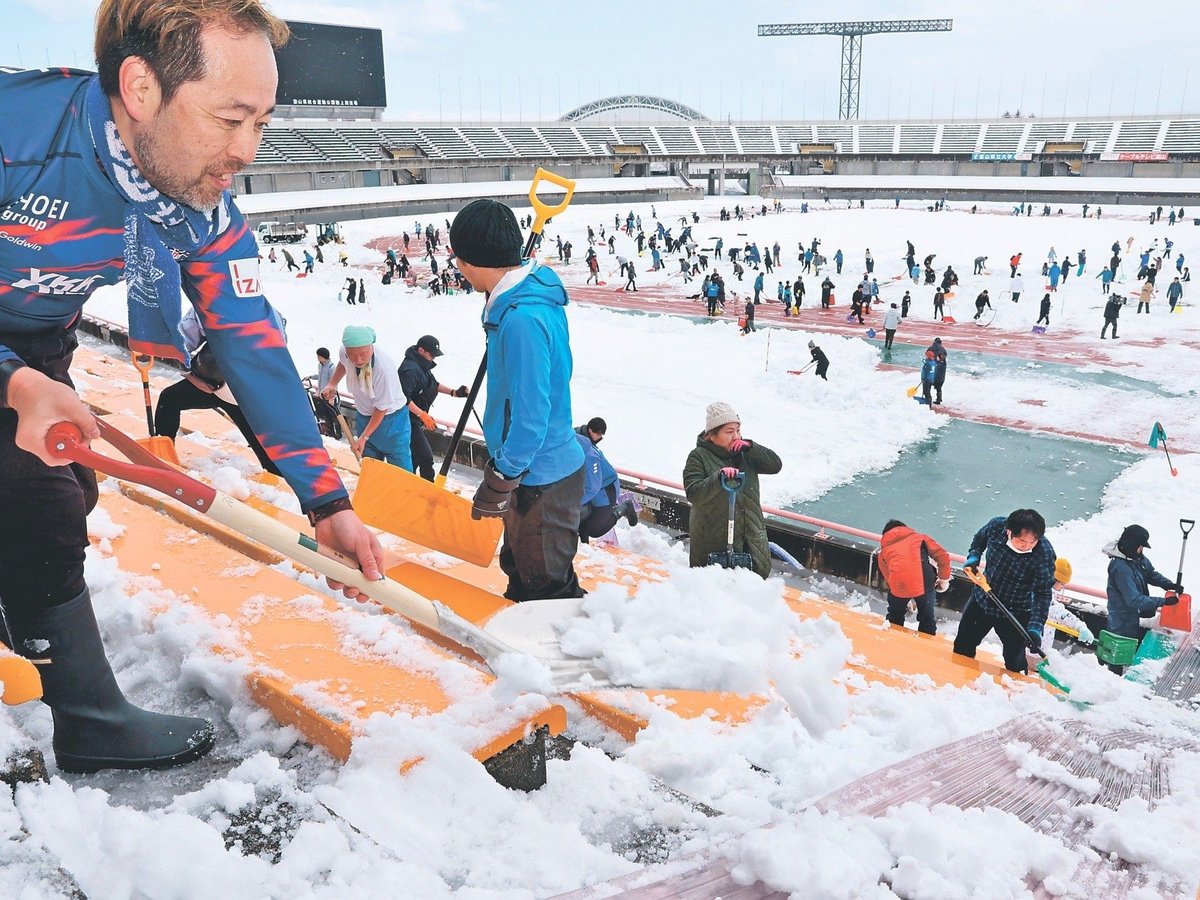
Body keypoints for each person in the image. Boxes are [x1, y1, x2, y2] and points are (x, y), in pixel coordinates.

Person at [0, 0, 382, 774]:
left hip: (34, 340)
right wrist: (12, 386)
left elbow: (250, 340)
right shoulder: (17, 135)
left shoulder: (192, 201)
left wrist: (327, 502)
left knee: (69, 484)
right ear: (140, 87)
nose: (247, 149)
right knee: (43, 507)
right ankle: (89, 721)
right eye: (230, 118)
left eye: (263, 123)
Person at [450, 199, 585, 602]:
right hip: (534, 469)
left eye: (458, 257)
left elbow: (531, 416)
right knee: (523, 571)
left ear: (470, 260)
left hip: (537, 473)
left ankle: (554, 660)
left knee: (545, 586)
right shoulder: (521, 299)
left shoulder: (522, 319)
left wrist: (502, 476)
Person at [683, 402, 782, 579]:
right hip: (714, 543)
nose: (736, 436)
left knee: (752, 591)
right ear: (711, 436)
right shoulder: (699, 456)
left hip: (751, 539)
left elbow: (775, 465)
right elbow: (694, 493)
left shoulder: (746, 453)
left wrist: (752, 447)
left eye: (737, 430)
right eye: (729, 432)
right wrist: (717, 478)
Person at [953, 509, 1056, 674]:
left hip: (1016, 612)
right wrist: (974, 557)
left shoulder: (1044, 554)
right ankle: (960, 681)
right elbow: (979, 539)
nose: (1027, 546)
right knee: (963, 645)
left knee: (1015, 661)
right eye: (1022, 541)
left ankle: (1014, 692)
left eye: (1033, 542)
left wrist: (1035, 627)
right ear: (1009, 532)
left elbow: (1042, 594)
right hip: (983, 600)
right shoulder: (996, 526)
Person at [323, 326, 412, 470]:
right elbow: (343, 362)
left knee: (399, 466)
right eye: (352, 354)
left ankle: (405, 491)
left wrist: (364, 437)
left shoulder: (383, 369)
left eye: (363, 354)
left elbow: (382, 408)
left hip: (391, 419)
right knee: (369, 463)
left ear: (372, 347)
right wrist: (332, 383)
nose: (358, 360)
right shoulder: (345, 353)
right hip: (364, 415)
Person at [1102, 525, 1182, 674]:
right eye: (1140, 547)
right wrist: (1163, 602)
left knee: (1128, 648)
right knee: (1118, 651)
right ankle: (1113, 676)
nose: (1142, 550)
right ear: (1132, 545)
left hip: (1132, 614)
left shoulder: (1136, 558)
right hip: (1121, 617)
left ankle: (1120, 671)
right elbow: (1134, 600)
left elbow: (1150, 573)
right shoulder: (1120, 568)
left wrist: (1169, 585)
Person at [398, 335, 469, 482]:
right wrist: (422, 414)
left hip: (417, 420)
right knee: (425, 457)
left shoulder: (422, 365)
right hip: (407, 420)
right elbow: (403, 398)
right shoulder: (410, 370)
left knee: (415, 457)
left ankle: (409, 486)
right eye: (431, 354)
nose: (433, 358)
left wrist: (454, 393)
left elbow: (432, 384)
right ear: (421, 350)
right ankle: (427, 488)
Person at [878, 520, 951, 634]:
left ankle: (893, 640)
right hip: (925, 584)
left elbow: (889, 578)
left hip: (899, 587)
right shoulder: (920, 539)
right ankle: (926, 644)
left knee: (894, 616)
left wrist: (903, 594)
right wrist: (943, 579)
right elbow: (943, 556)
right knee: (927, 618)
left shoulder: (883, 553)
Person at [575, 417, 637, 543]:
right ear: (590, 430)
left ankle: (624, 508)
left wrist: (575, 502)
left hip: (606, 488)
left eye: (601, 435)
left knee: (595, 529)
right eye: (598, 434)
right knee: (580, 519)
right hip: (590, 484)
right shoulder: (577, 439)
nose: (599, 438)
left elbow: (593, 487)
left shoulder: (589, 454)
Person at [928, 337, 947, 404]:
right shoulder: (943, 349)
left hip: (932, 370)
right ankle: (939, 399)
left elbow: (928, 357)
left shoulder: (930, 348)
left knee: (928, 385)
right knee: (939, 386)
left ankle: (928, 398)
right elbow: (942, 359)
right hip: (941, 370)